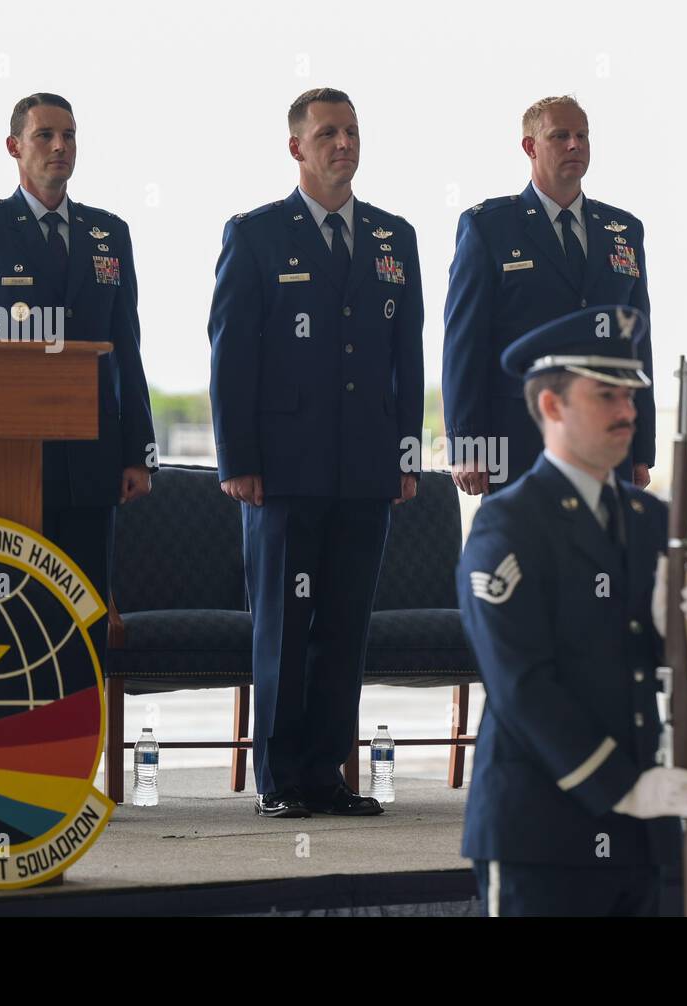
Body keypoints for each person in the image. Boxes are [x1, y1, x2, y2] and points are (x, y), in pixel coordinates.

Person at [208, 87, 424, 818]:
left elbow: (406, 357)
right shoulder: (257, 235)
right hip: (283, 473)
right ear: (296, 147)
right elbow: (231, 355)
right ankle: (280, 778)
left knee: (342, 626)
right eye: (328, 132)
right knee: (286, 627)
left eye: (353, 131)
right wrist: (236, 458)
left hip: (365, 469)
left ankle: (328, 774)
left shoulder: (395, 237)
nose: (343, 144)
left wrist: (406, 454)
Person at [458, 304, 687, 916]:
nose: (627, 412)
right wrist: (622, 787)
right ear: (551, 406)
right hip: (540, 830)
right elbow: (521, 685)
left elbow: (645, 662)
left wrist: (671, 629)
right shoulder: (509, 522)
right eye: (606, 396)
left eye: (630, 396)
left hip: (635, 834)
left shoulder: (651, 520)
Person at [0, 92, 157, 662]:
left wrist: (139, 451)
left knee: (80, 631)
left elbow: (126, 350)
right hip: (11, 468)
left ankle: (74, 750)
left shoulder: (110, 234)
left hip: (93, 462)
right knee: (9, 630)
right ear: (14, 147)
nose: (61, 147)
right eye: (45, 136)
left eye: (70, 135)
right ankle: (8, 748)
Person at [442, 95, 654, 495]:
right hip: (519, 436)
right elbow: (464, 343)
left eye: (582, 136)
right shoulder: (488, 227)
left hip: (605, 439)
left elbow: (637, 346)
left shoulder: (623, 230)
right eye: (560, 136)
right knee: (524, 554)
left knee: (601, 556)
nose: (575, 145)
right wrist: (467, 444)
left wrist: (642, 448)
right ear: (530, 147)